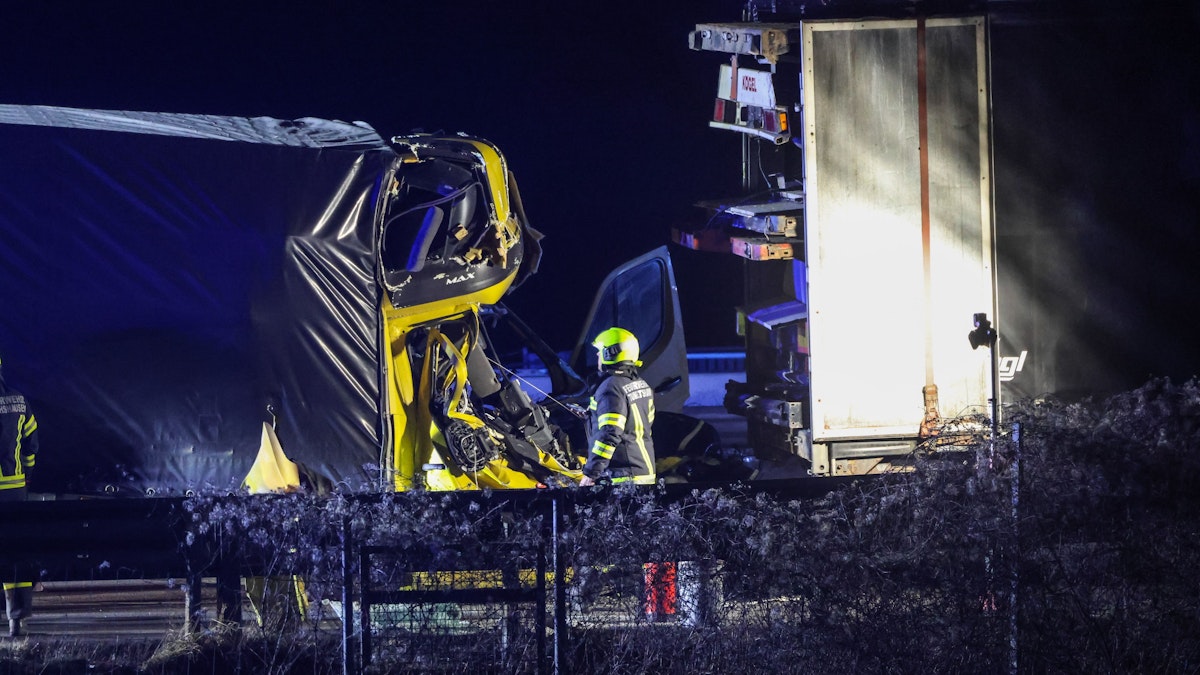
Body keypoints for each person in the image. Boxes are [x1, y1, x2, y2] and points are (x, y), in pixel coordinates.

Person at [579, 328, 656, 487]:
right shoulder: (640, 384)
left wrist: (591, 473)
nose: (597, 355)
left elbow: (610, 433)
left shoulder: (611, 387)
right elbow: (638, 424)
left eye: (600, 351)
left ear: (610, 354)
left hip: (622, 476)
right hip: (644, 472)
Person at [0, 354, 39, 637]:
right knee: (18, 550)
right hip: (14, 490)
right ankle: (17, 619)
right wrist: (26, 473)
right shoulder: (19, 401)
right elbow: (31, 444)